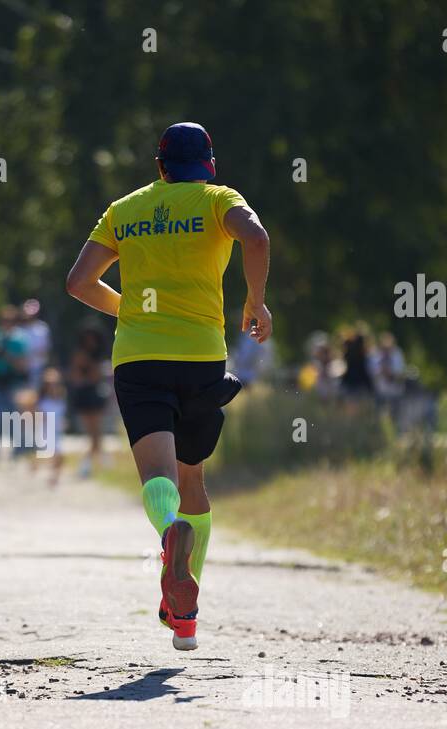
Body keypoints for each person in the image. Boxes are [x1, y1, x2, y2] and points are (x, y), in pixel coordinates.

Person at [66, 121, 270, 651]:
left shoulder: (124, 209)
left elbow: (78, 283)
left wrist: (128, 309)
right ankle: (184, 617)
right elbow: (256, 236)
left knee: (160, 481)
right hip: (202, 360)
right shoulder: (218, 199)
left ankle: (169, 541)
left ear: (159, 166)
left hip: (140, 359)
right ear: (209, 163)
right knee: (193, 479)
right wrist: (255, 303)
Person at [0, 305, 30, 462]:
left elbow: (23, 364)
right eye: (3, 320)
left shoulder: (20, 338)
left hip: (14, 382)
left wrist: (7, 355)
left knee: (17, 417)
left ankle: (19, 449)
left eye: (9, 320)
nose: (5, 323)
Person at [67, 320, 111, 478]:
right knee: (93, 434)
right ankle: (90, 464)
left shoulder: (99, 355)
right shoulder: (80, 355)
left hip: (96, 394)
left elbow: (96, 377)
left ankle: (90, 464)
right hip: (85, 395)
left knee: (97, 434)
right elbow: (77, 377)